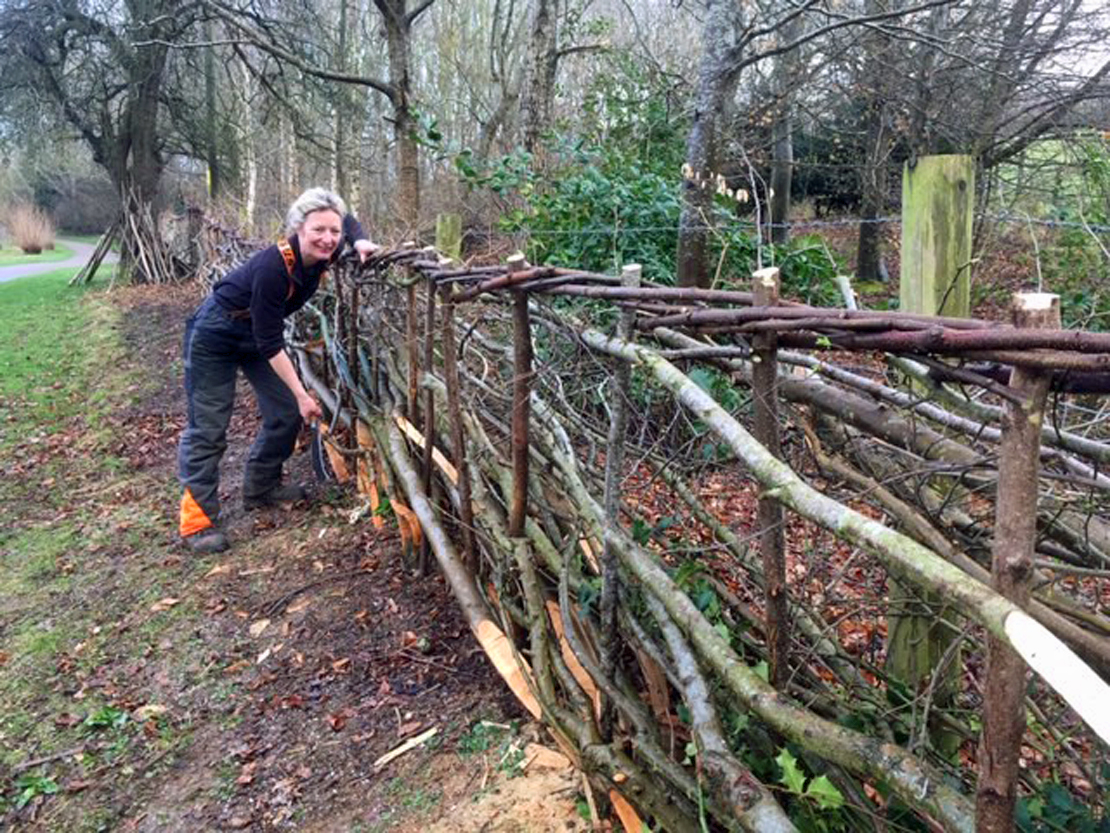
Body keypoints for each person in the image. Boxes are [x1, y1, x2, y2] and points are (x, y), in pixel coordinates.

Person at [177, 188, 378, 553]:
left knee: (284, 414)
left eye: (334, 232)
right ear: (298, 228)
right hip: (216, 333)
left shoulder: (326, 248)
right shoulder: (275, 267)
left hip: (255, 334)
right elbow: (271, 344)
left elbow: (345, 220)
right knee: (208, 427)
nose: (329, 238)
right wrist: (304, 395)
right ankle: (197, 522)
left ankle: (260, 488)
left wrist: (361, 240)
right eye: (318, 230)